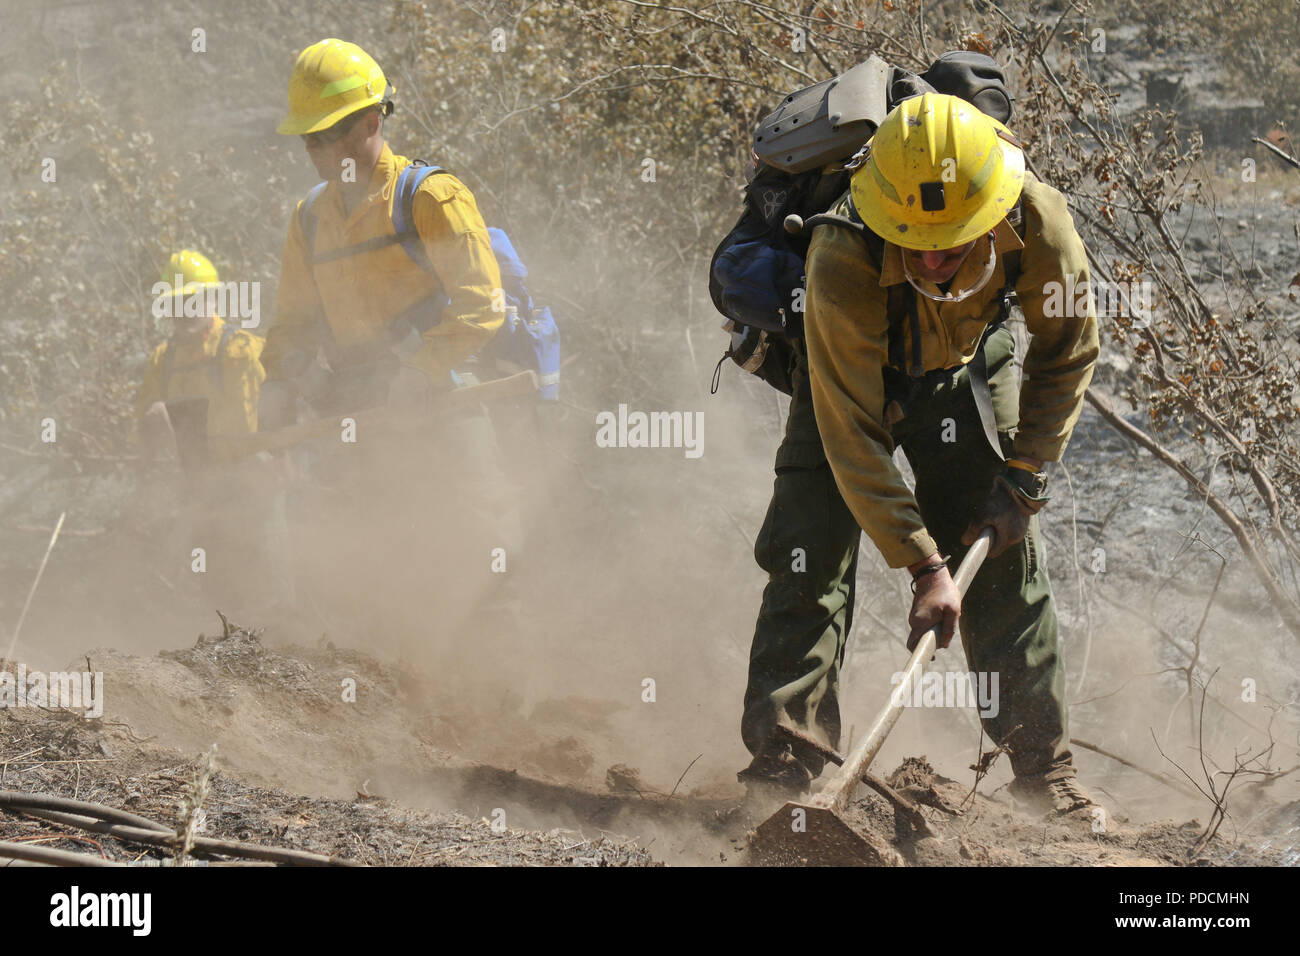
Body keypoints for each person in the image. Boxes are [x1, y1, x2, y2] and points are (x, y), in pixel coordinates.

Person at [740, 92, 1101, 816]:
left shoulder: (1036, 217)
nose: (933, 256)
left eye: (953, 237)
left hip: (964, 367)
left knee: (1001, 558)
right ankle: (785, 769)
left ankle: (1043, 773)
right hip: (845, 381)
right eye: (915, 236)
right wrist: (924, 565)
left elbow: (1067, 351)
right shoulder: (842, 247)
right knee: (808, 557)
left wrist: (1027, 474)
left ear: (992, 212)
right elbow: (851, 434)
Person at [262, 38, 521, 681]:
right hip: (357, 416)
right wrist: (279, 382)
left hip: (446, 402)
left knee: (474, 548)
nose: (313, 152)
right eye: (306, 139)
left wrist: (418, 372)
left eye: (324, 136)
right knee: (370, 561)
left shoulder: (429, 197)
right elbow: (291, 327)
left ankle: (502, 708)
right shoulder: (309, 220)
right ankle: (393, 708)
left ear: (371, 123)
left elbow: (482, 303)